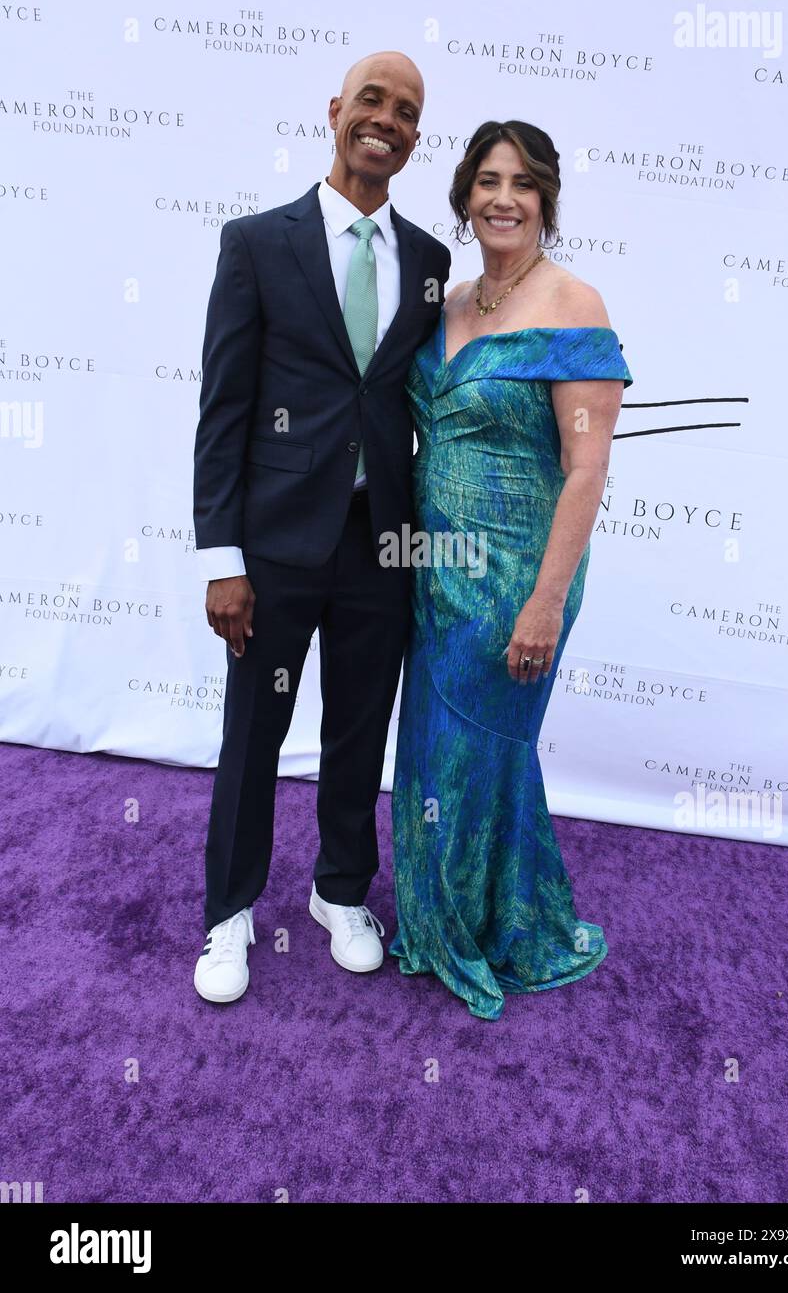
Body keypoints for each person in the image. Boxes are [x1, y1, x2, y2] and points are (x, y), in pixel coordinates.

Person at [192, 52, 450, 1003]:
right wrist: (223, 557)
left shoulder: (428, 261)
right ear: (336, 112)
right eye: (373, 102)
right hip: (273, 546)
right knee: (253, 731)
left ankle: (340, 890)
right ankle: (228, 914)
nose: (387, 120)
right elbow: (224, 410)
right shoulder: (257, 242)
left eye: (408, 112)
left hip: (382, 542)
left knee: (358, 730)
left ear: (417, 138)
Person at [389, 120, 633, 1020]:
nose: (502, 197)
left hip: (518, 581)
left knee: (479, 755)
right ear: (463, 198)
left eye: (522, 183)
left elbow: (588, 467)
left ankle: (494, 928)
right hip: (433, 570)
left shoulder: (575, 305)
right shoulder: (448, 304)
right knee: (431, 753)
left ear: (547, 201)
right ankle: (440, 919)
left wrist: (545, 600)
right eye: (487, 180)